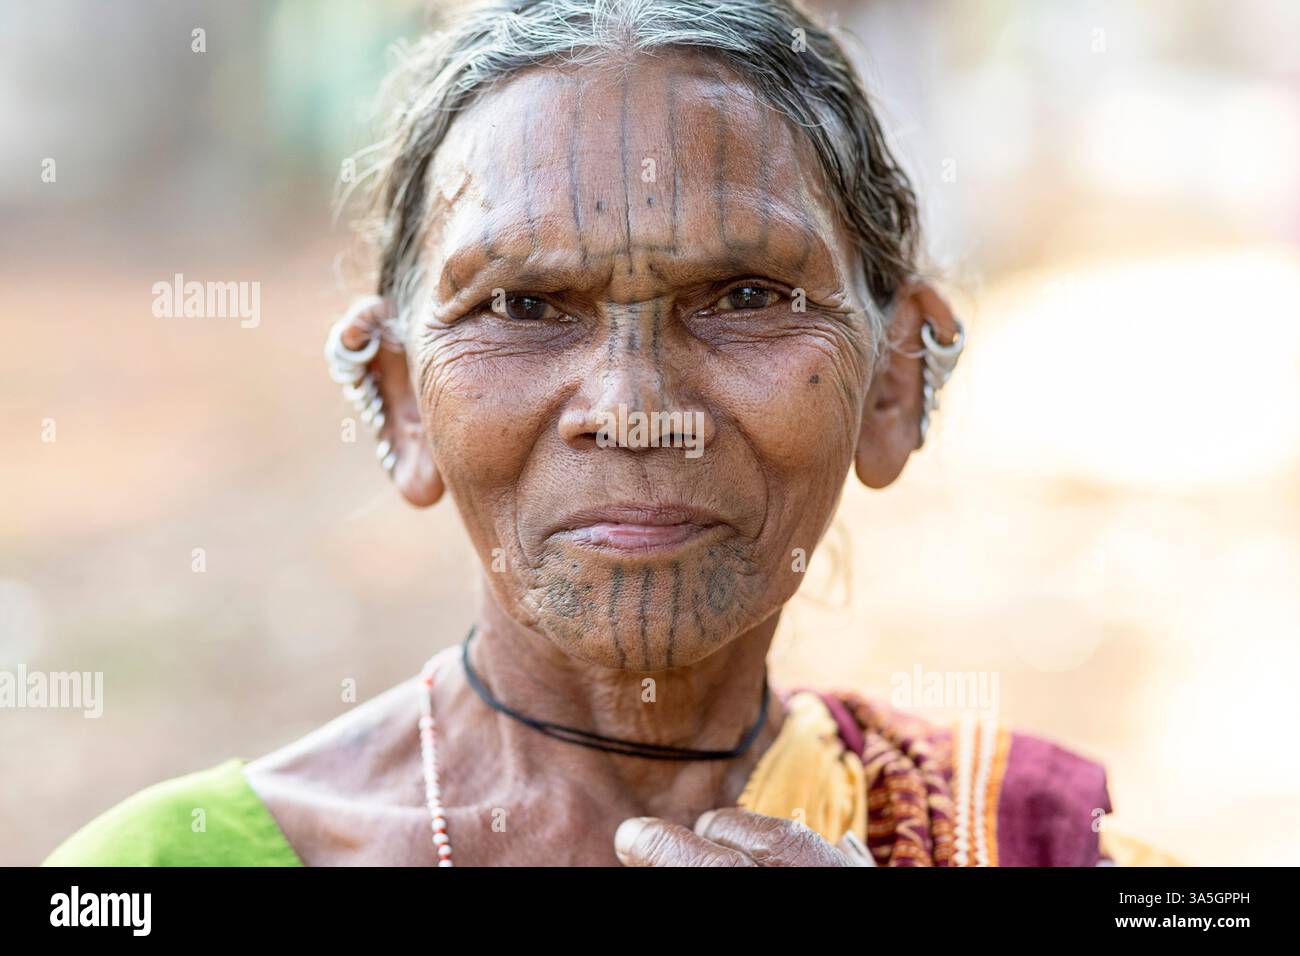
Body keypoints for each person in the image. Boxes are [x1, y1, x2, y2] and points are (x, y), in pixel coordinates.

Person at [44, 0, 1159, 867]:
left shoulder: (1046, 838)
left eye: (745, 297)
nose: (634, 407)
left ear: (895, 380)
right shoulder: (145, 870)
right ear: (397, 397)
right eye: (523, 307)